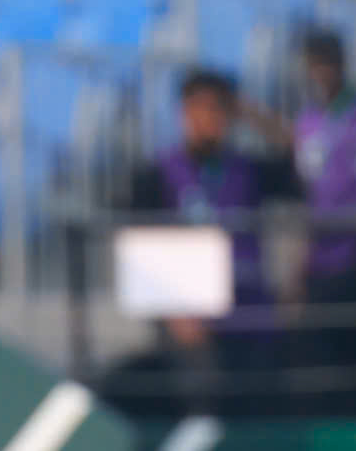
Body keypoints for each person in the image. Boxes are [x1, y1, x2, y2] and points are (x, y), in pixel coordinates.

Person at [120, 69, 304, 420]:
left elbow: (300, 152)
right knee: (201, 408)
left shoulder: (248, 169)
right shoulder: (158, 174)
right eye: (201, 107)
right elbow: (139, 248)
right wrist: (171, 310)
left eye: (220, 108)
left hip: (250, 316)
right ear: (185, 112)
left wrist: (254, 115)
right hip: (192, 322)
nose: (210, 117)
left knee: (260, 410)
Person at [285, 29, 356, 420]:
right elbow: (309, 191)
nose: (320, 73)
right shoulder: (309, 120)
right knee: (320, 355)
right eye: (313, 65)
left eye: (326, 63)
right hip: (320, 256)